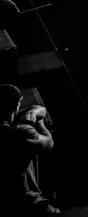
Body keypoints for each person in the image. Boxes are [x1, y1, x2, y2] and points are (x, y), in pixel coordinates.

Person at [0, 84, 59, 215]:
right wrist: (39, 122)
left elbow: (41, 109)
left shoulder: (8, 123)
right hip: (28, 203)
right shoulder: (20, 132)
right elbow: (49, 142)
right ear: (17, 105)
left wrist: (33, 112)